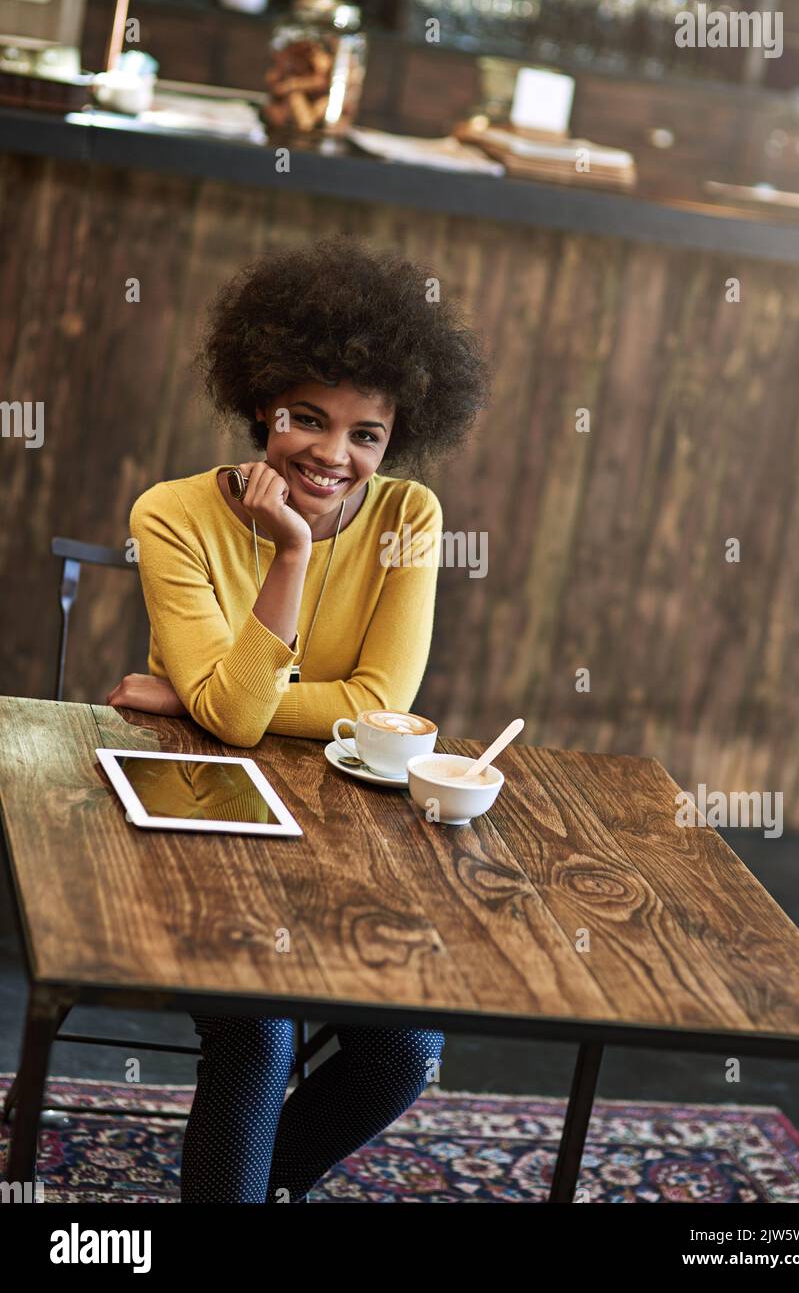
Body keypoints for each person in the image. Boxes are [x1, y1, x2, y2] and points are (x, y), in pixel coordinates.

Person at [106, 235, 490, 1202]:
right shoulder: (171, 515)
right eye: (307, 420)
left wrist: (205, 694)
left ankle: (252, 1186)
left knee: (402, 1050)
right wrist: (288, 555)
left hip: (346, 841)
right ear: (260, 405)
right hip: (200, 817)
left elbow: (374, 706)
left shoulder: (408, 517)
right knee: (259, 1030)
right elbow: (234, 732)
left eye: (366, 434)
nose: (333, 455)